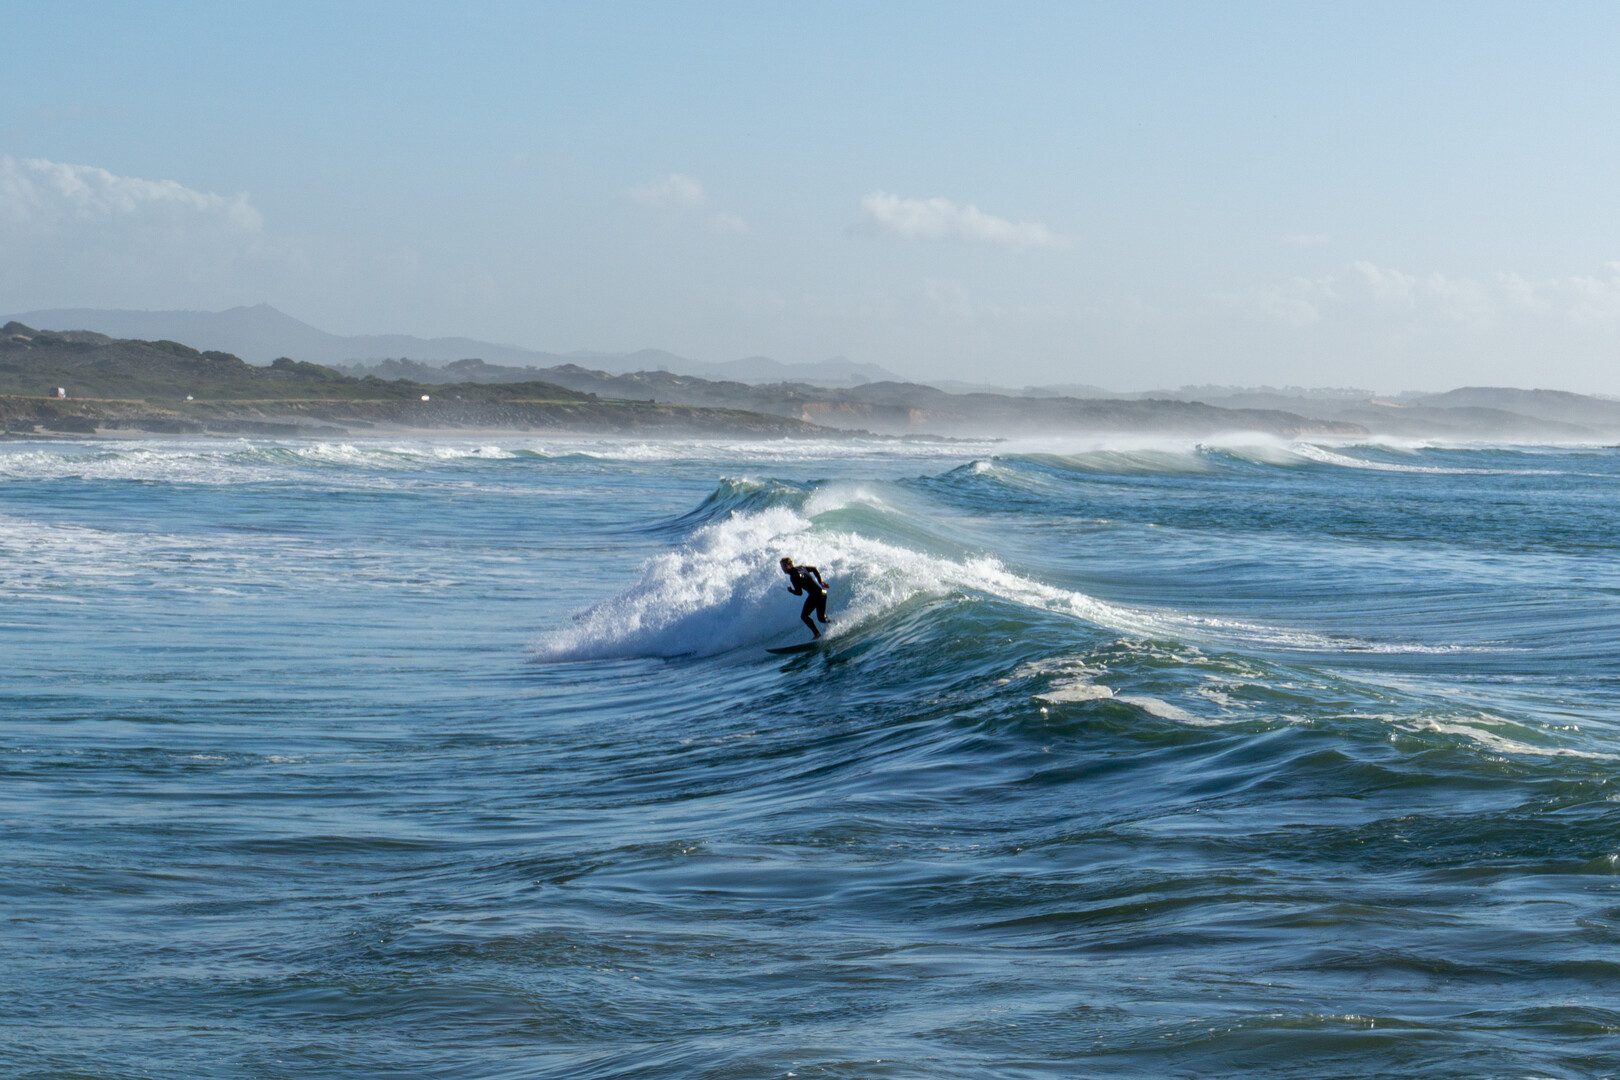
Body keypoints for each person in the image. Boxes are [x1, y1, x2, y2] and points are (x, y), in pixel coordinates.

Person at [780, 556, 829, 638]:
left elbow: (799, 593)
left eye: (783, 567)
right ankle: (837, 623)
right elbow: (814, 569)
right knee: (822, 618)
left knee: (804, 616)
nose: (783, 569)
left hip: (815, 595)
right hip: (822, 592)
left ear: (788, 565)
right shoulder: (801, 568)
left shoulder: (793, 576)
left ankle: (817, 634)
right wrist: (820, 582)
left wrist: (791, 590)